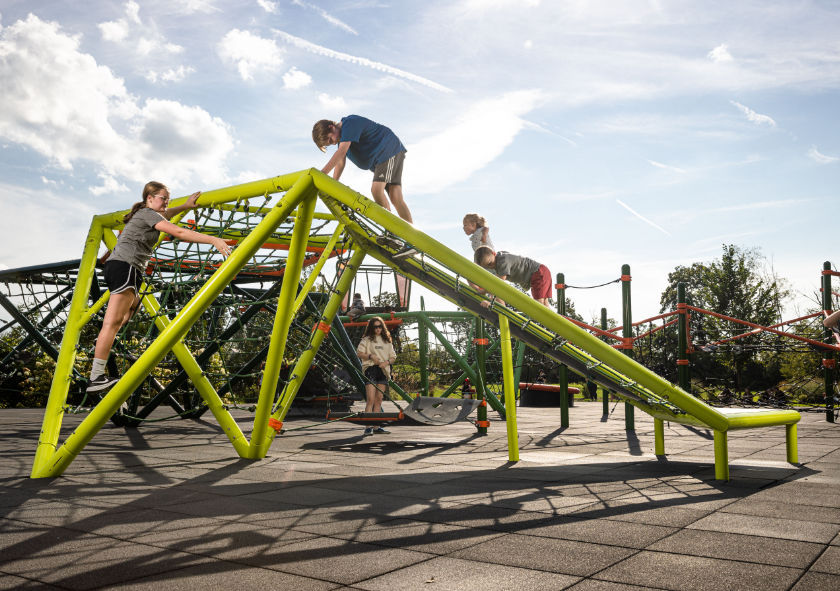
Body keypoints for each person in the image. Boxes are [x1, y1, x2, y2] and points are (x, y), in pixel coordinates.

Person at [87, 182, 232, 394]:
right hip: (125, 267)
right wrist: (213, 240)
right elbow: (178, 232)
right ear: (149, 198)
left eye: (168, 198)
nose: (166, 202)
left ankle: (100, 343)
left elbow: (167, 214)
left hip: (125, 268)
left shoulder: (146, 213)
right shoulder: (147, 213)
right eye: (163, 198)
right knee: (112, 322)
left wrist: (184, 206)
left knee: (131, 308)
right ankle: (96, 377)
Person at [312, 115, 416, 257]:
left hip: (388, 150)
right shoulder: (342, 140)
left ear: (331, 126)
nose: (333, 141)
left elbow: (341, 152)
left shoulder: (349, 123)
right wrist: (332, 185)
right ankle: (413, 242)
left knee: (376, 190)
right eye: (330, 143)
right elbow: (340, 163)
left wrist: (323, 173)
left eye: (331, 139)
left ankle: (392, 232)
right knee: (396, 197)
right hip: (383, 159)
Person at [473, 246, 552, 308]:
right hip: (541, 272)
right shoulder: (499, 258)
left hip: (538, 273)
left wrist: (485, 293)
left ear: (494, 253)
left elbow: (497, 284)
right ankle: (561, 323)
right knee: (545, 305)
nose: (491, 267)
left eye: (490, 263)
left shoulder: (502, 261)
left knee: (540, 306)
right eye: (487, 267)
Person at [356, 317, 397, 436]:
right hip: (371, 369)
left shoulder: (387, 341)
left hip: (383, 370)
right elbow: (359, 353)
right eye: (375, 327)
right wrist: (370, 356)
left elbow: (393, 357)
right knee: (370, 399)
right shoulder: (366, 340)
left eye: (380, 326)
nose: (378, 329)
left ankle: (376, 425)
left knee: (379, 400)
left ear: (382, 327)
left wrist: (386, 362)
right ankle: (368, 426)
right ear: (371, 328)